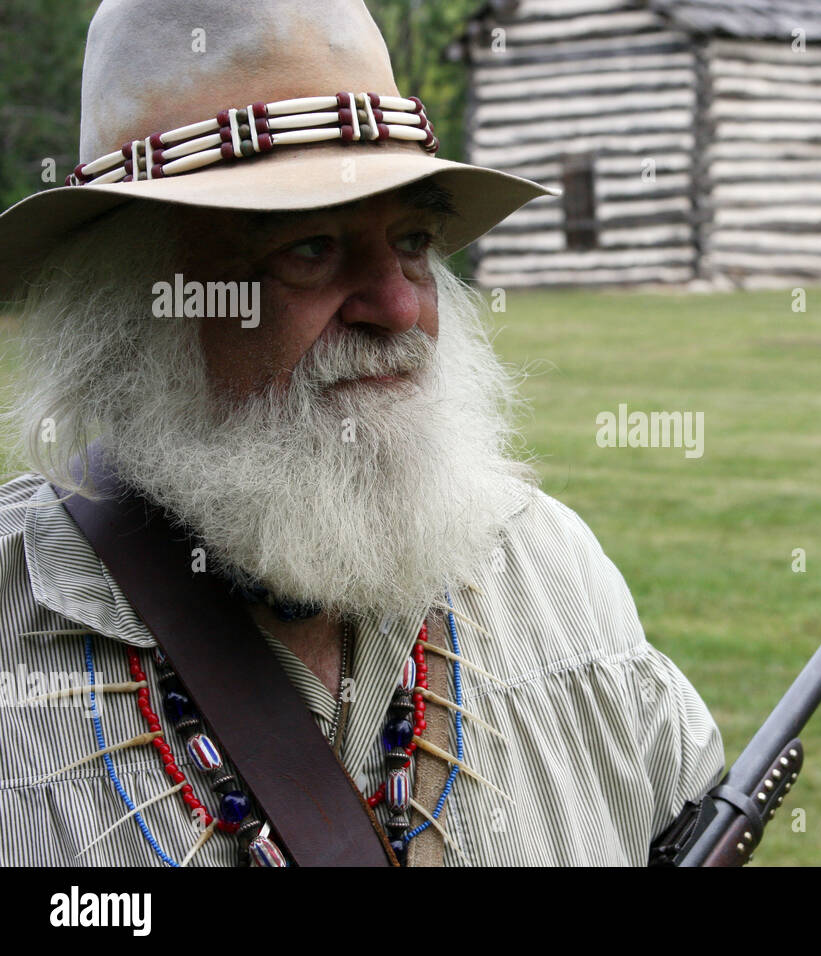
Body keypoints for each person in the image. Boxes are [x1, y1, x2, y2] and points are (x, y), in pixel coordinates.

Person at [0, 0, 724, 866]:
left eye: (414, 239)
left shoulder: (553, 570)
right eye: (308, 249)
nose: (401, 307)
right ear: (132, 308)